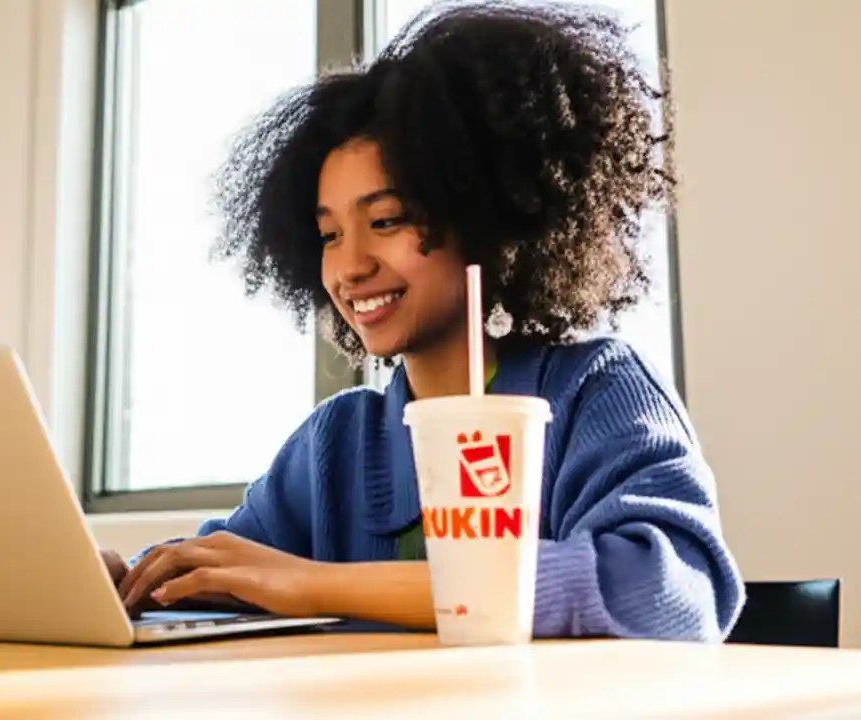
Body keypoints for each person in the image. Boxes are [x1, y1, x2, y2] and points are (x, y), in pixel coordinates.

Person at [104, 1, 745, 641]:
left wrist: (309, 583)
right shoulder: (337, 443)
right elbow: (222, 572)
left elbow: (668, 590)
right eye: (328, 235)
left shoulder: (594, 390)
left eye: (386, 221)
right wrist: (118, 582)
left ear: (486, 215)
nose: (349, 267)